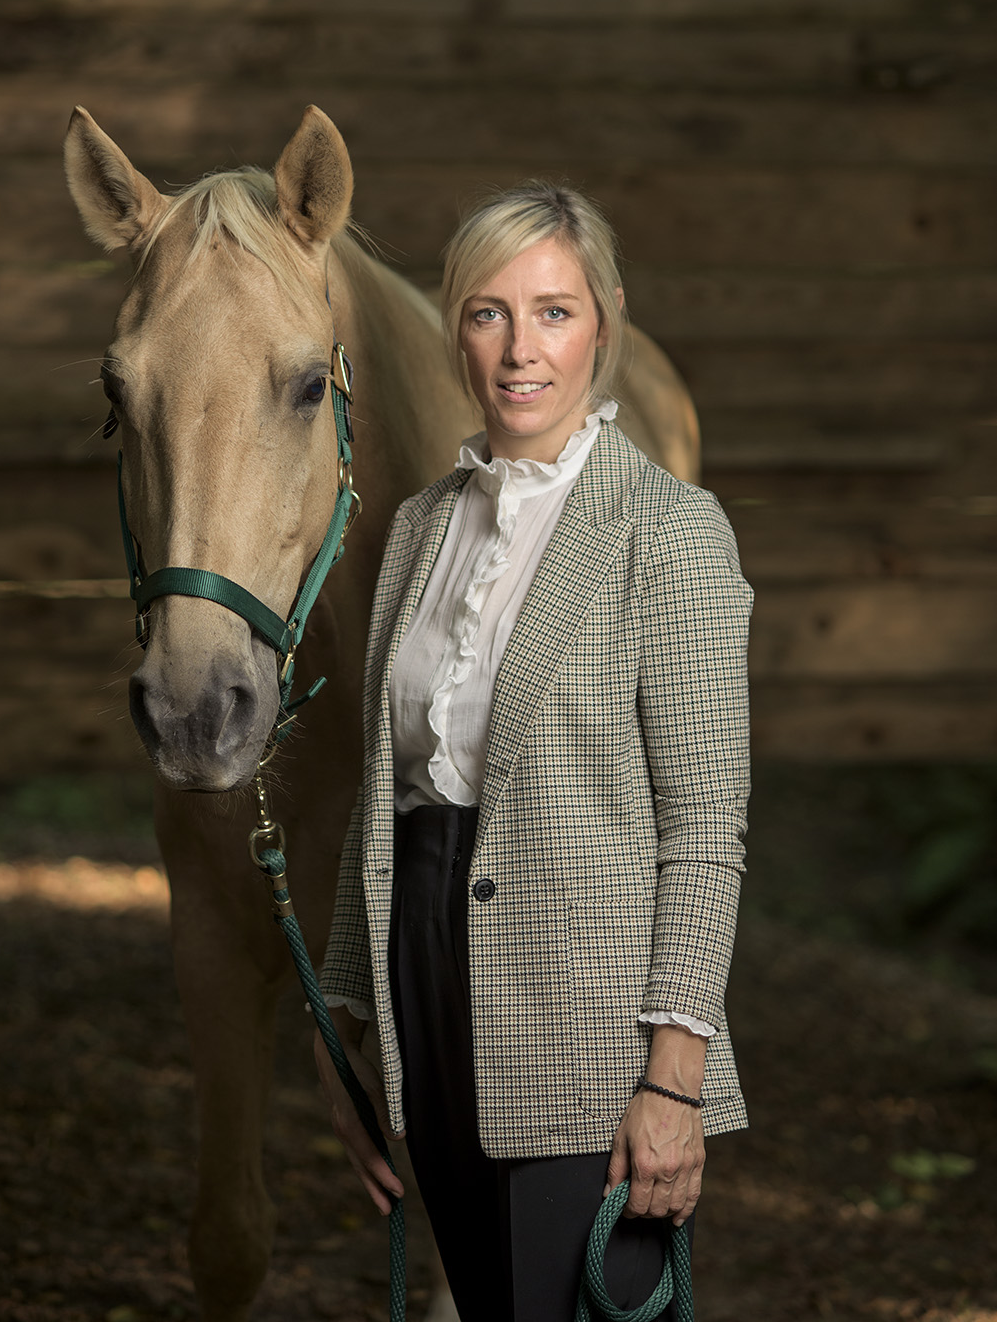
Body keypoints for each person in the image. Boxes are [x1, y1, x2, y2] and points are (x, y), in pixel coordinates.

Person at [315, 182, 752, 1322]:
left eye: (553, 312)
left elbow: (706, 831)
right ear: (455, 331)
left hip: (590, 1027)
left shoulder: (669, 530)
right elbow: (384, 798)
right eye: (487, 312)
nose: (521, 349)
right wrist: (345, 1031)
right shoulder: (416, 528)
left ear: (603, 323)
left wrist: (672, 1079)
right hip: (425, 994)